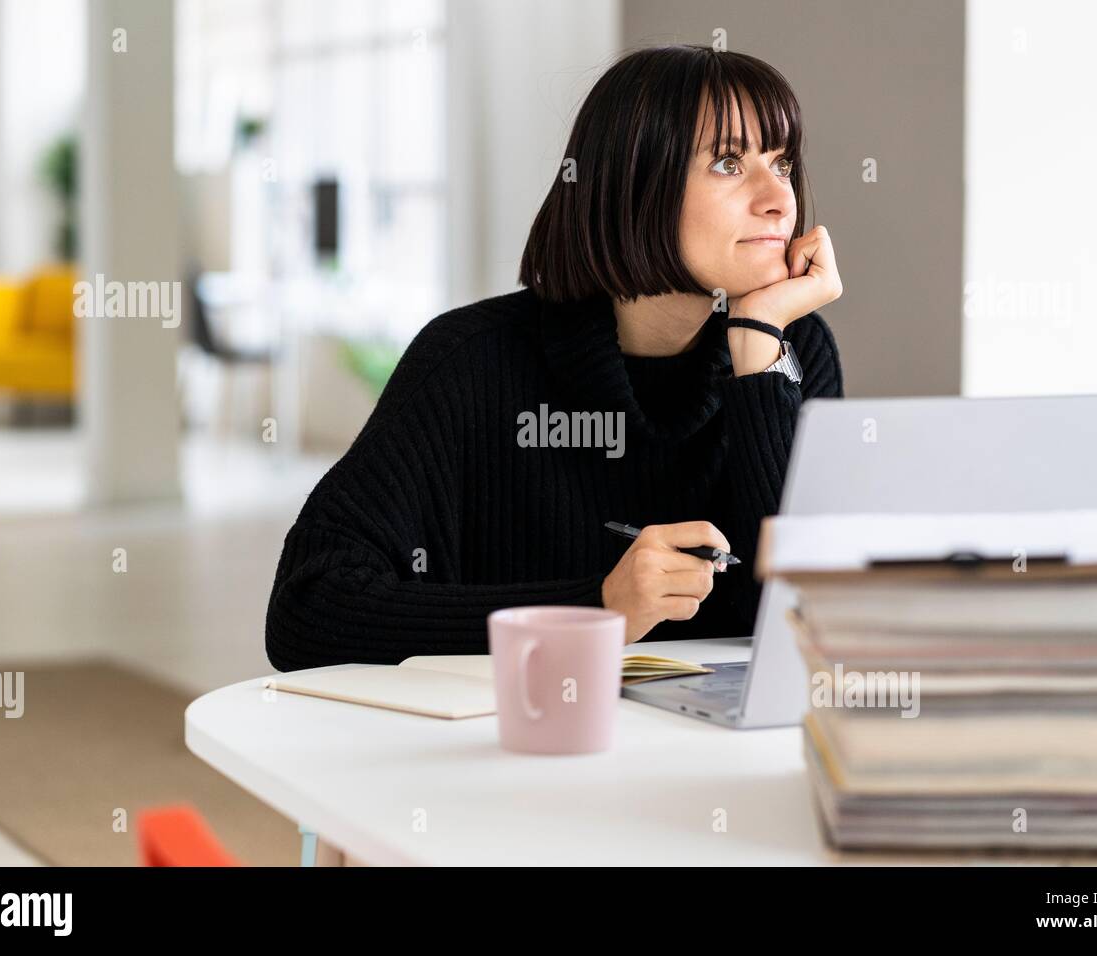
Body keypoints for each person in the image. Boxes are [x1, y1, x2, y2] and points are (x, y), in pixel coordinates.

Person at [265, 44, 843, 669]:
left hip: (717, 756)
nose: (778, 200)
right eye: (729, 163)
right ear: (633, 181)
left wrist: (760, 356)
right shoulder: (470, 361)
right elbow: (308, 610)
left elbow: (806, 625)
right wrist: (596, 610)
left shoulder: (791, 349)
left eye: (782, 164)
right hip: (520, 750)